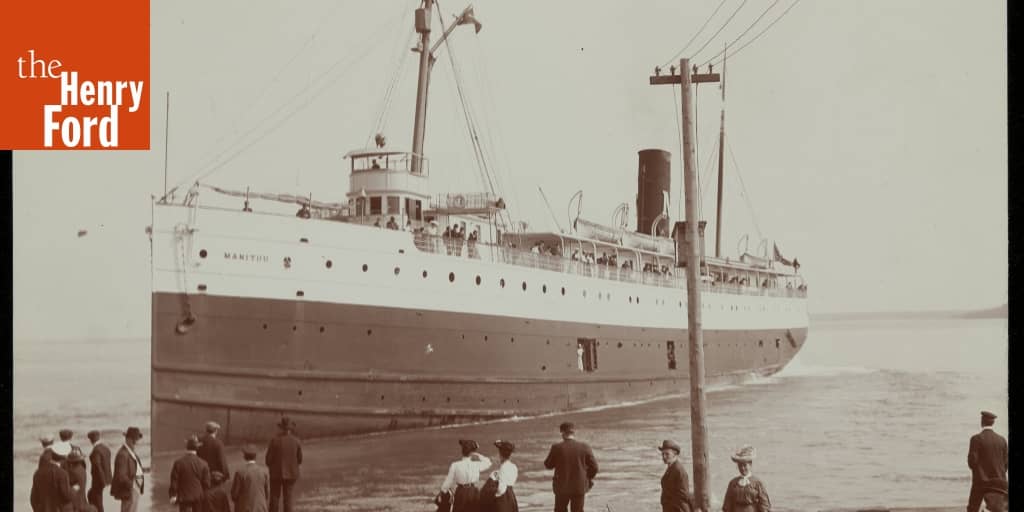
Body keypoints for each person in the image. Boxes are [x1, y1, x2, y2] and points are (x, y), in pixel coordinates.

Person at [543, 422, 599, 512]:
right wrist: (587, 477)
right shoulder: (585, 447)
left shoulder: (556, 447)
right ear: (574, 433)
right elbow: (595, 468)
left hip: (561, 487)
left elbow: (548, 465)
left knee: (560, 510)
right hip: (579, 487)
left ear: (562, 433)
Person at [967, 411, 1008, 512]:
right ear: (993, 423)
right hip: (999, 481)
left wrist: (979, 473)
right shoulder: (1002, 440)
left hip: (981, 481)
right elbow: (1005, 464)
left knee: (973, 508)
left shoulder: (976, 438)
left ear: (982, 422)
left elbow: (972, 462)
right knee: (997, 509)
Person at [440, 439, 492, 512]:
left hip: (461, 492)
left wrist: (443, 491)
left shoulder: (455, 465)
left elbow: (448, 482)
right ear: (472, 452)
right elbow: (488, 462)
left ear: (462, 451)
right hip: (473, 492)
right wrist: (477, 454)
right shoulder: (476, 465)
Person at [265, 417, 302, 512]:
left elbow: (268, 460)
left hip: (276, 474)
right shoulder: (297, 441)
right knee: (288, 499)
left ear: (281, 428)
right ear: (290, 429)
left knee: (274, 498)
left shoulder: (274, 441)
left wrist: (273, 467)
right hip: (291, 473)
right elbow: (300, 460)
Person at [721, 446, 770, 512]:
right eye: (740, 465)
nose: (742, 468)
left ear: (750, 465)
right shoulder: (733, 483)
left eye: (745, 465)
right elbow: (727, 504)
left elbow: (764, 504)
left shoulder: (757, 482)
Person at [169, 437, 211, 512]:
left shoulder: (178, 463)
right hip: (198, 496)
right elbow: (207, 484)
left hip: (184, 497)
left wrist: (173, 495)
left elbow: (174, 481)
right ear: (197, 448)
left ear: (186, 448)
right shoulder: (204, 463)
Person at [31, 441, 73, 512]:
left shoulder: (38, 472)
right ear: (64, 458)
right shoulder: (62, 474)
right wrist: (74, 490)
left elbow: (33, 497)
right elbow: (67, 496)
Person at [111, 427, 145, 512]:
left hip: (134, 489)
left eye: (137, 440)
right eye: (134, 440)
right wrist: (133, 485)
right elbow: (121, 476)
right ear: (128, 439)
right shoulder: (123, 454)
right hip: (129, 490)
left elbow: (133, 468)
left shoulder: (130, 452)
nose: (136, 443)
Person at [480, 440, 519, 512]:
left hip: (503, 498)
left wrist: (492, 496)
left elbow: (501, 489)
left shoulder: (503, 467)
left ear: (500, 454)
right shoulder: (514, 466)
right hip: (511, 496)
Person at [232, 444, 270, 512]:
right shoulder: (264, 471)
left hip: (244, 508)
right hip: (260, 508)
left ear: (244, 457)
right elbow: (267, 493)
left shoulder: (240, 472)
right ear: (255, 457)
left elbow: (234, 494)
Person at [657, 440, 691, 512]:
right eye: (662, 454)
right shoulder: (671, 468)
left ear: (675, 454)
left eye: (667, 454)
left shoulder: (678, 470)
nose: (664, 457)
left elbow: (683, 496)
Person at [88, 430, 112, 512]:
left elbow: (98, 466)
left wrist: (102, 481)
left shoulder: (96, 450)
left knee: (97, 500)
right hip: (107, 477)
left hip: (98, 479)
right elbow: (107, 464)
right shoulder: (106, 448)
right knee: (93, 495)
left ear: (91, 440)